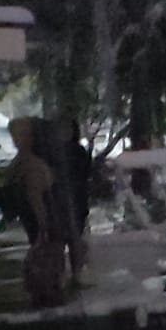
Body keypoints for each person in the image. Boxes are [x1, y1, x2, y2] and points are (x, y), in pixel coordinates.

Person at [6, 118, 67, 306]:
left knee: (45, 260)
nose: (19, 139)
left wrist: (42, 226)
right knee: (46, 260)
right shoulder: (26, 164)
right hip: (39, 219)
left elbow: (34, 197)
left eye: (23, 134)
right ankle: (47, 296)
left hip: (38, 219)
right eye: (17, 135)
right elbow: (33, 196)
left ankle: (46, 296)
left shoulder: (25, 165)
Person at [58, 116, 92, 283]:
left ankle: (75, 272)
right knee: (65, 238)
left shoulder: (77, 151)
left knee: (74, 237)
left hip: (76, 199)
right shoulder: (57, 152)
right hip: (64, 200)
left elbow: (86, 173)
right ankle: (66, 273)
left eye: (67, 129)